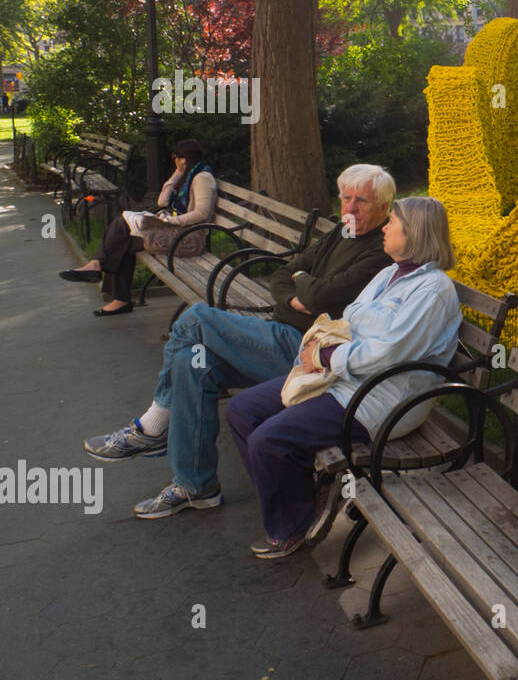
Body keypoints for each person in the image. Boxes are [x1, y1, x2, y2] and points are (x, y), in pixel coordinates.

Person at [81, 164, 397, 521]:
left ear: (385, 206)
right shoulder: (342, 231)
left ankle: (153, 427)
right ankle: (196, 486)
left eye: (362, 201)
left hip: (307, 353)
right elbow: (283, 274)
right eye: (346, 198)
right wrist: (298, 288)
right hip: (279, 335)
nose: (351, 208)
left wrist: (301, 285)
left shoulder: (381, 250)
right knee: (192, 363)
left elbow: (322, 296)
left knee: (196, 318)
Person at [226, 197, 460, 558]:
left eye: (391, 222)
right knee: (243, 409)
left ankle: (295, 524)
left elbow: (391, 352)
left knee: (267, 441)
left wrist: (325, 356)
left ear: (414, 232)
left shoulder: (433, 290)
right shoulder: (390, 272)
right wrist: (326, 352)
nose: (384, 227)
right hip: (343, 379)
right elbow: (351, 320)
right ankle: (305, 497)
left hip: (383, 397)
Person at [59, 139, 216, 316]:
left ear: (183, 158)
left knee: (121, 232)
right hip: (177, 232)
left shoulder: (202, 177)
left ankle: (107, 279)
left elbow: (201, 214)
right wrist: (176, 175)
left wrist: (172, 221)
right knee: (122, 239)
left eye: (176, 158)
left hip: (189, 238)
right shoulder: (187, 176)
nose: (174, 161)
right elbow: (162, 201)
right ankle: (105, 278)